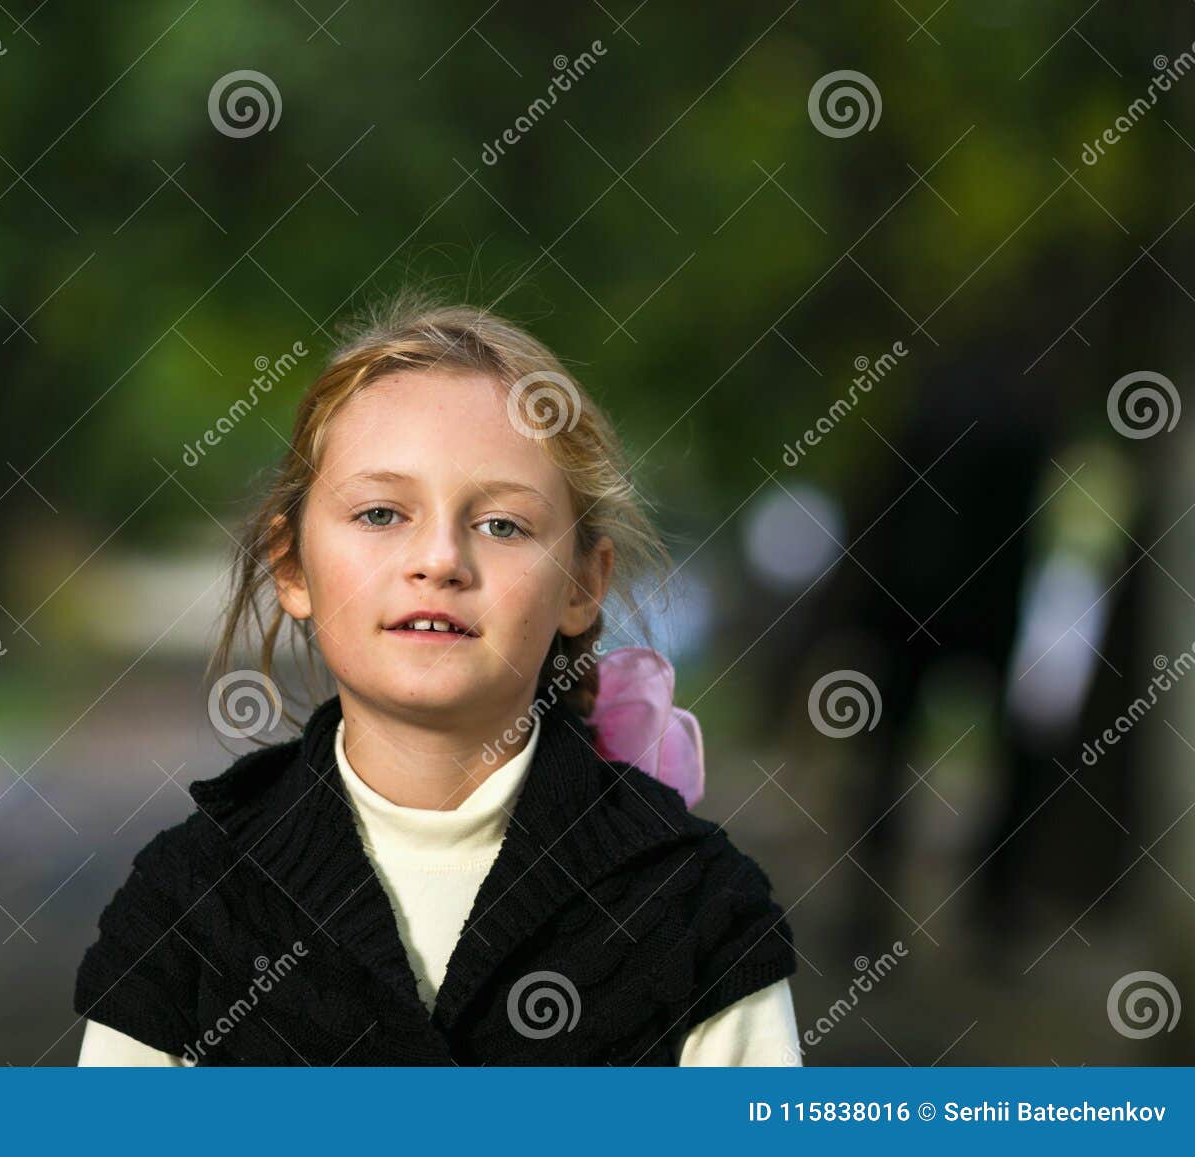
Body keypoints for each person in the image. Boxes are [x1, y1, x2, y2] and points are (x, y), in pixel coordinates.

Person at [72, 293, 800, 1065]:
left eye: (502, 525)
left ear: (584, 583)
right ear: (292, 565)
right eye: (383, 513)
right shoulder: (192, 902)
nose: (440, 560)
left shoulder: (695, 906)